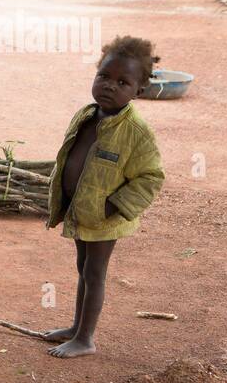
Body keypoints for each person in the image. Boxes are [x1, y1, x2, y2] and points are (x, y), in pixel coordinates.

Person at [43, 37, 164, 358]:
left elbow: (151, 177)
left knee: (94, 273)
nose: (110, 86)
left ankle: (86, 339)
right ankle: (76, 328)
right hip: (82, 212)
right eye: (104, 77)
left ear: (138, 91)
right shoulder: (86, 115)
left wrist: (115, 206)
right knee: (83, 268)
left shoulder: (136, 132)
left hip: (106, 218)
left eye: (123, 82)